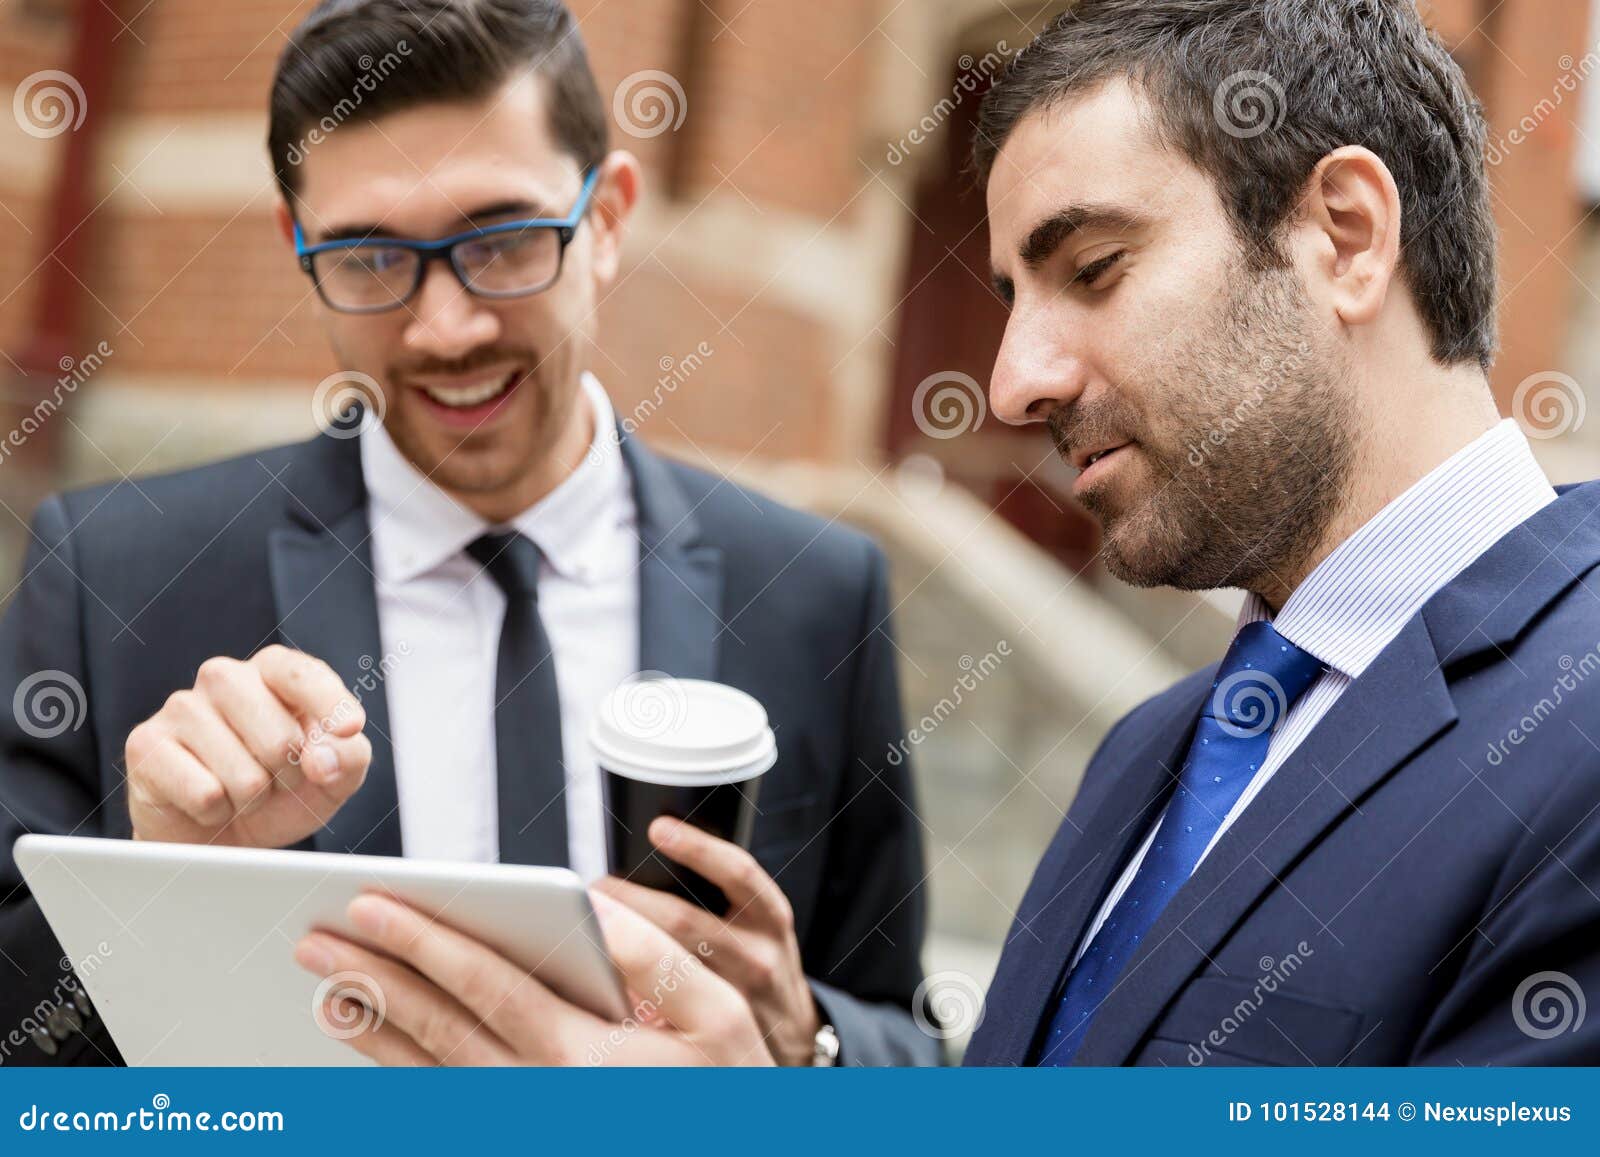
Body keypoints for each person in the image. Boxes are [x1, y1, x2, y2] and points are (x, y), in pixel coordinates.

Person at [0, 0, 936, 1068]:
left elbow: (902, 1034)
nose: (446, 329)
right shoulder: (114, 573)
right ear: (295, 245)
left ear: (610, 217)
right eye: (366, 257)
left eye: (500, 243)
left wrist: (804, 1046)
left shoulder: (818, 589)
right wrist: (155, 886)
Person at [955, 0, 1600, 1065]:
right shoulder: (1145, 753)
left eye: (1094, 268)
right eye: (1013, 297)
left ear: (1345, 234)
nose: (1013, 383)